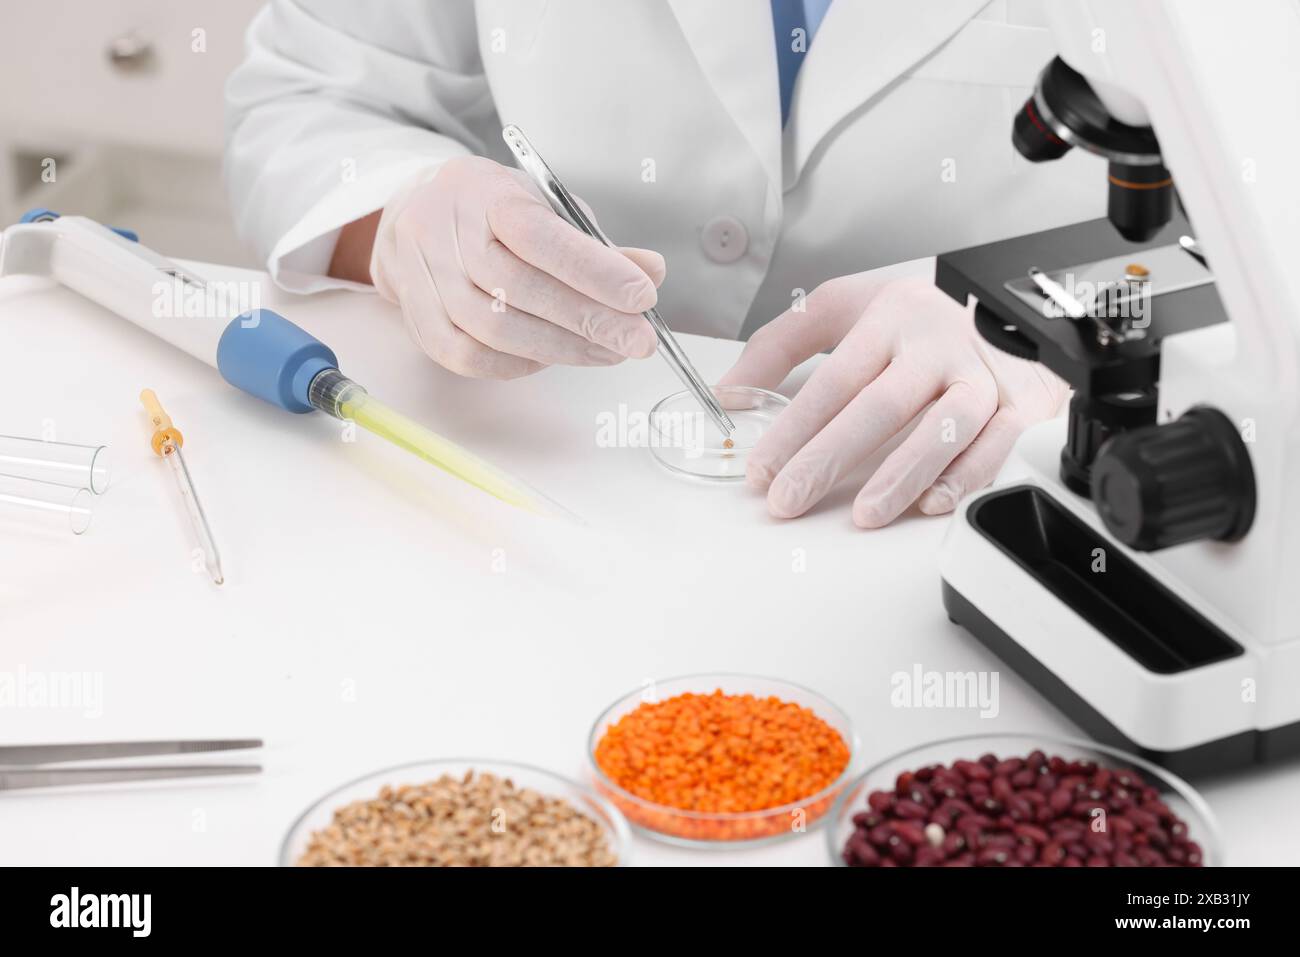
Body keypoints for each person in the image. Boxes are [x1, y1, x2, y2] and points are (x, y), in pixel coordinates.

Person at [225, 0, 1099, 527]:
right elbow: (309, 96)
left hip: (953, 502)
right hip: (539, 456)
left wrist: (1048, 321)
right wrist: (406, 217)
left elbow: (1182, 230)